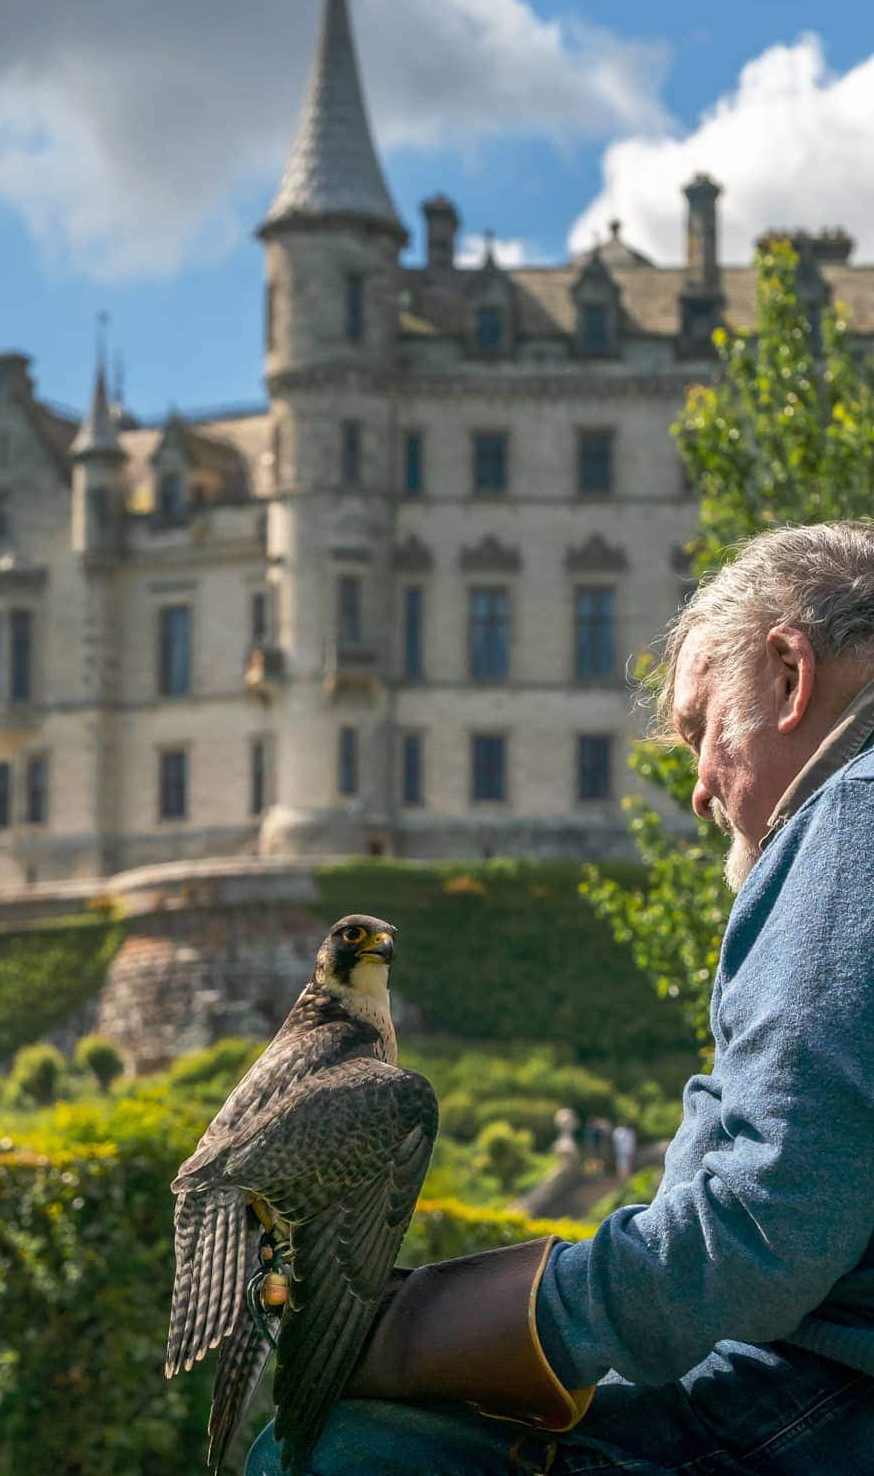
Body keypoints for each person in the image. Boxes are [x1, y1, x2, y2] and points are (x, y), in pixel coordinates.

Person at [246, 521, 874, 1473]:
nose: (698, 792)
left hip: (815, 1413)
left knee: (340, 1452)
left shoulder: (847, 815)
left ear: (789, 675)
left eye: (703, 729)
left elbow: (764, 1227)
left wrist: (419, 1329)